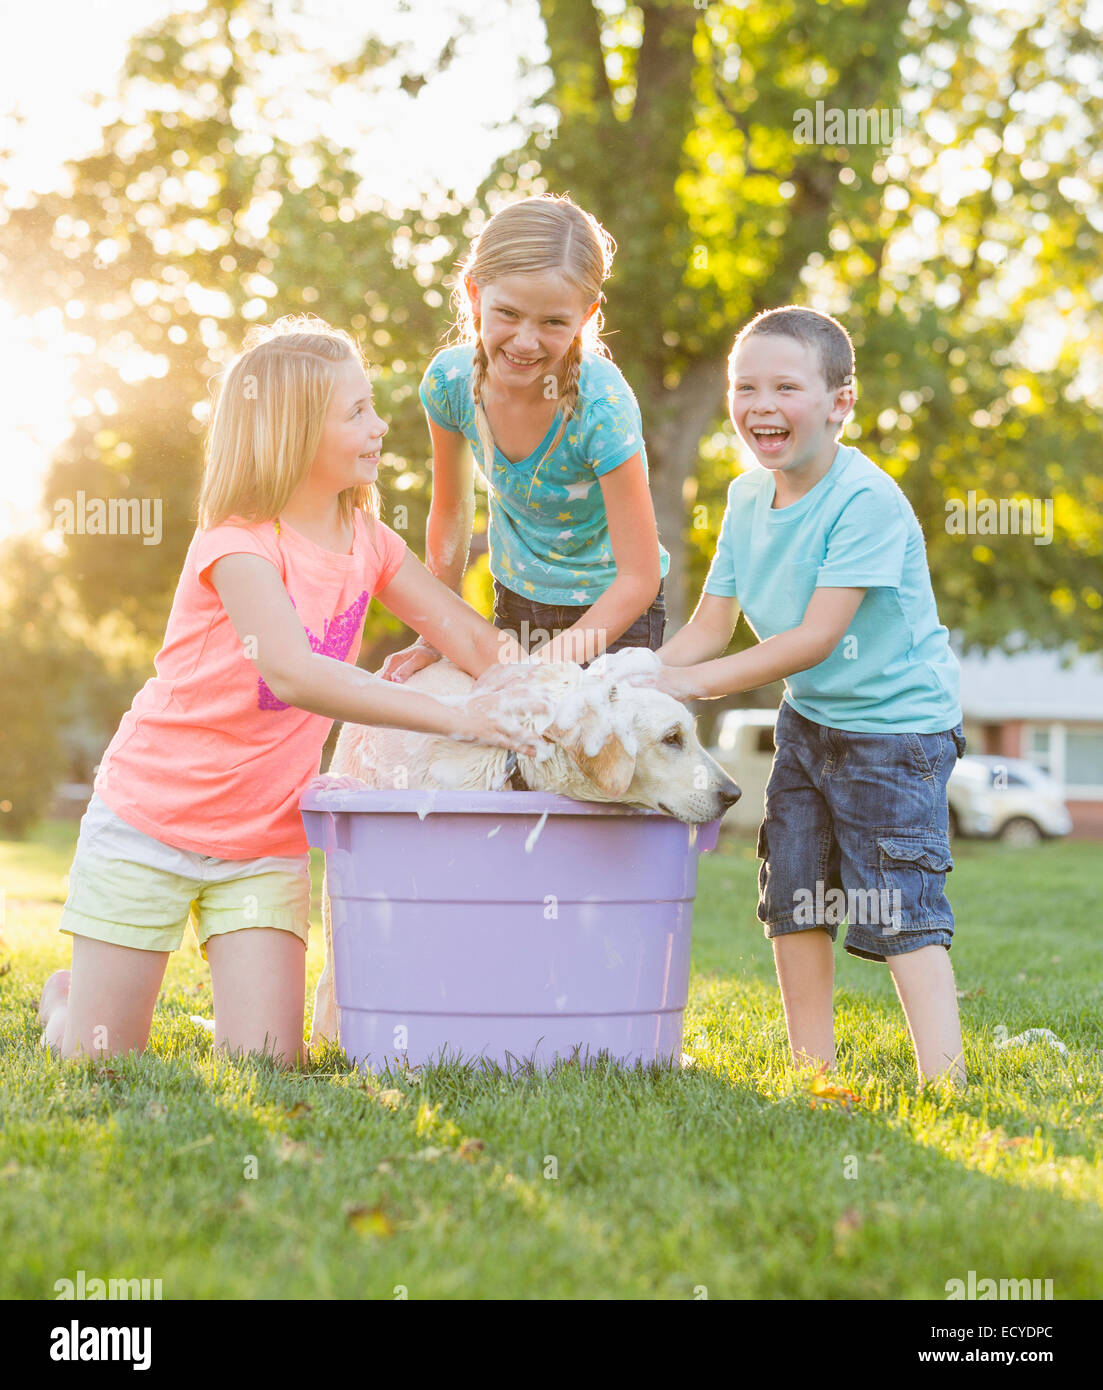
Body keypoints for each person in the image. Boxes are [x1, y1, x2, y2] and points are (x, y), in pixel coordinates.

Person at [38, 317, 549, 1068]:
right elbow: (294, 672)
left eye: (372, 406)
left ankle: (149, 1008)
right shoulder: (236, 542)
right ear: (292, 432)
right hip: (149, 821)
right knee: (100, 1061)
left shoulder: (368, 539)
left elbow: (470, 639)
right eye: (356, 412)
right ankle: (66, 1003)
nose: (380, 426)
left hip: (260, 841)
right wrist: (453, 717)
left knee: (270, 1065)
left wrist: (555, 703)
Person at [635, 306, 966, 1085]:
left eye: (785, 386)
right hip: (810, 723)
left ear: (838, 402)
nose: (759, 405)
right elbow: (709, 626)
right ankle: (811, 1069)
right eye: (743, 386)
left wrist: (689, 685)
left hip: (897, 734)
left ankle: (944, 1082)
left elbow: (815, 637)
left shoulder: (865, 501)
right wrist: (639, 676)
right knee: (795, 894)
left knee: (900, 907)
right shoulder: (748, 499)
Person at [382, 193, 669, 683]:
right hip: (517, 600)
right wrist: (436, 633)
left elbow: (638, 578)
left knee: (593, 754)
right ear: (474, 293)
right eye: (508, 313)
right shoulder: (450, 384)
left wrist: (542, 671)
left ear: (586, 315)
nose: (525, 342)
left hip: (614, 615)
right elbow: (451, 512)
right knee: (516, 750)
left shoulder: (601, 411)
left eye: (554, 322)